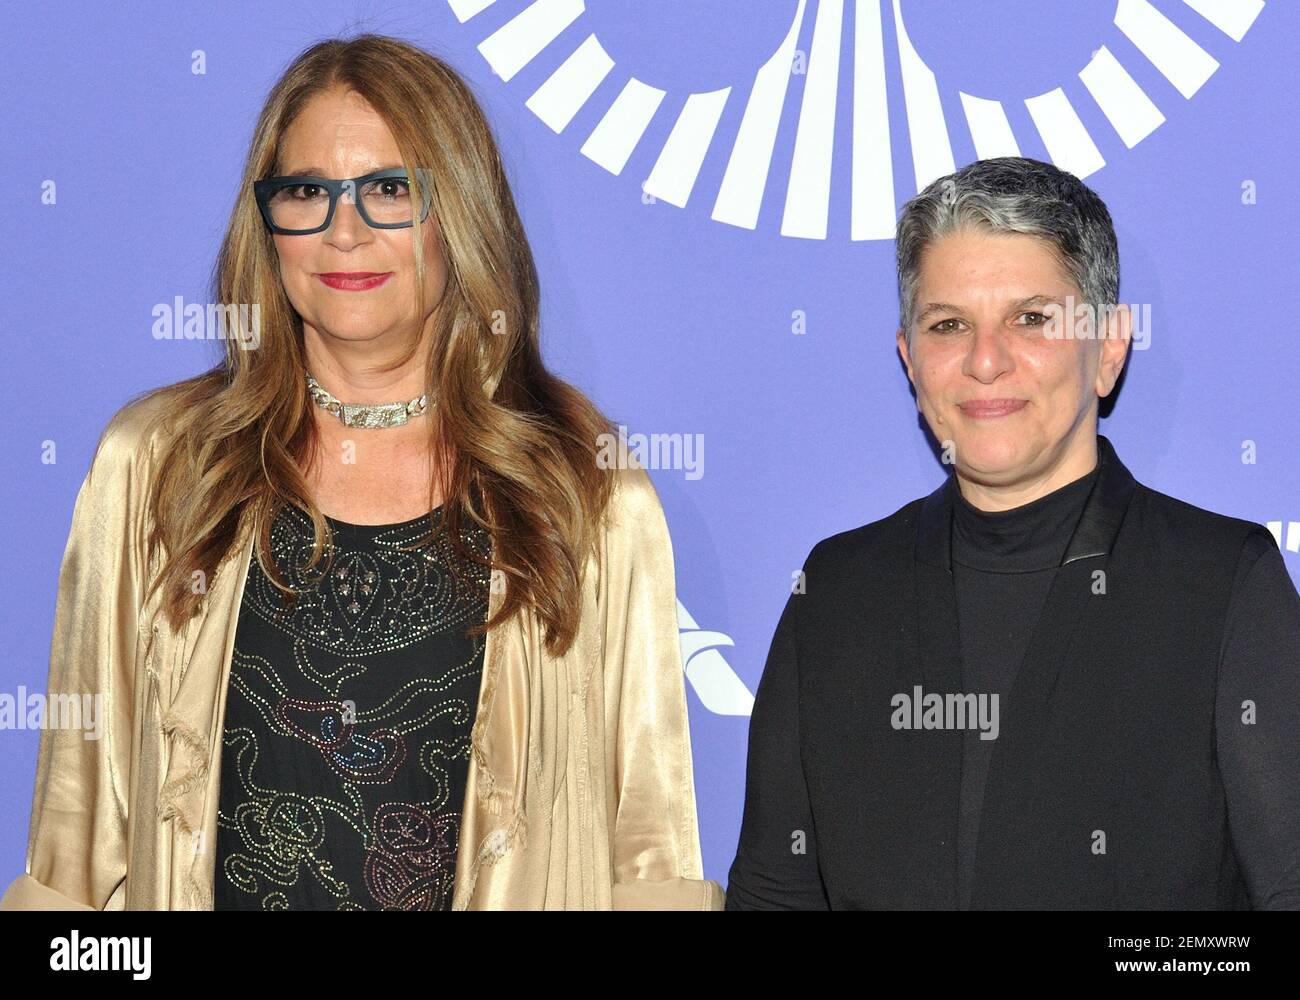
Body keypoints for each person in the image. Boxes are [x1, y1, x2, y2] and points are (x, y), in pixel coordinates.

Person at [1, 34, 721, 911]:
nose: (345, 231)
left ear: (457, 211)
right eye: (306, 192)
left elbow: (645, 856)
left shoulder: (586, 493)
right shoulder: (157, 467)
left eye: (389, 190)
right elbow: (73, 853)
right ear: (267, 222)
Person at [726, 156, 1300, 910]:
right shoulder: (835, 591)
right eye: (948, 324)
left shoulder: (1221, 583)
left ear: (1111, 348)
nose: (985, 361)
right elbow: (775, 894)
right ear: (909, 359)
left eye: (1032, 319)